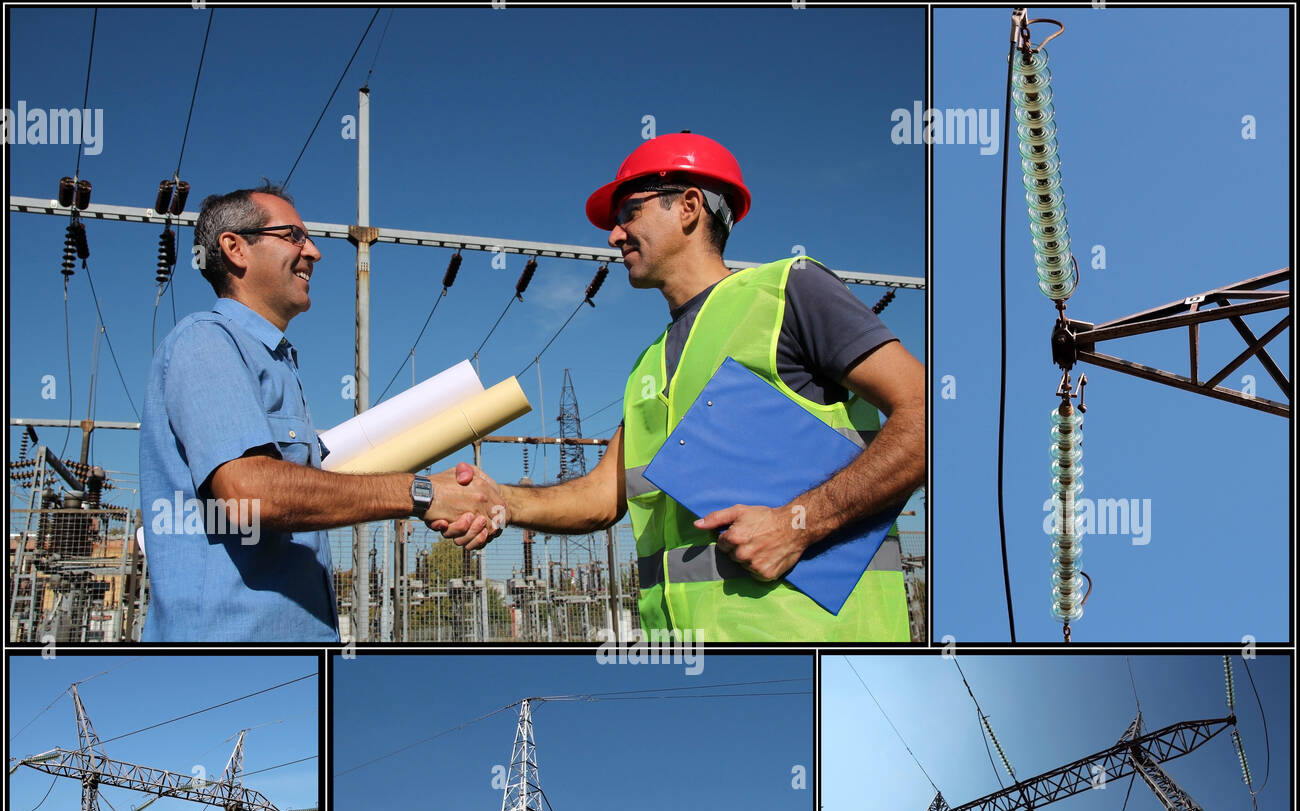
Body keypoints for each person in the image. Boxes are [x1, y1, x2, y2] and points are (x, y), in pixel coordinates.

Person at [441, 133, 925, 641]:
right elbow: (603, 496)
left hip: (815, 651)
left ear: (689, 207)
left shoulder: (788, 292)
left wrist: (798, 524)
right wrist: (504, 501)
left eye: (629, 211)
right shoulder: (647, 366)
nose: (614, 235)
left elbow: (929, 417)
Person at [138, 182, 499, 642]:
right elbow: (252, 493)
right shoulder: (207, 343)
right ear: (235, 249)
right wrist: (422, 493)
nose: (314, 252)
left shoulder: (275, 362)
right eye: (293, 235)